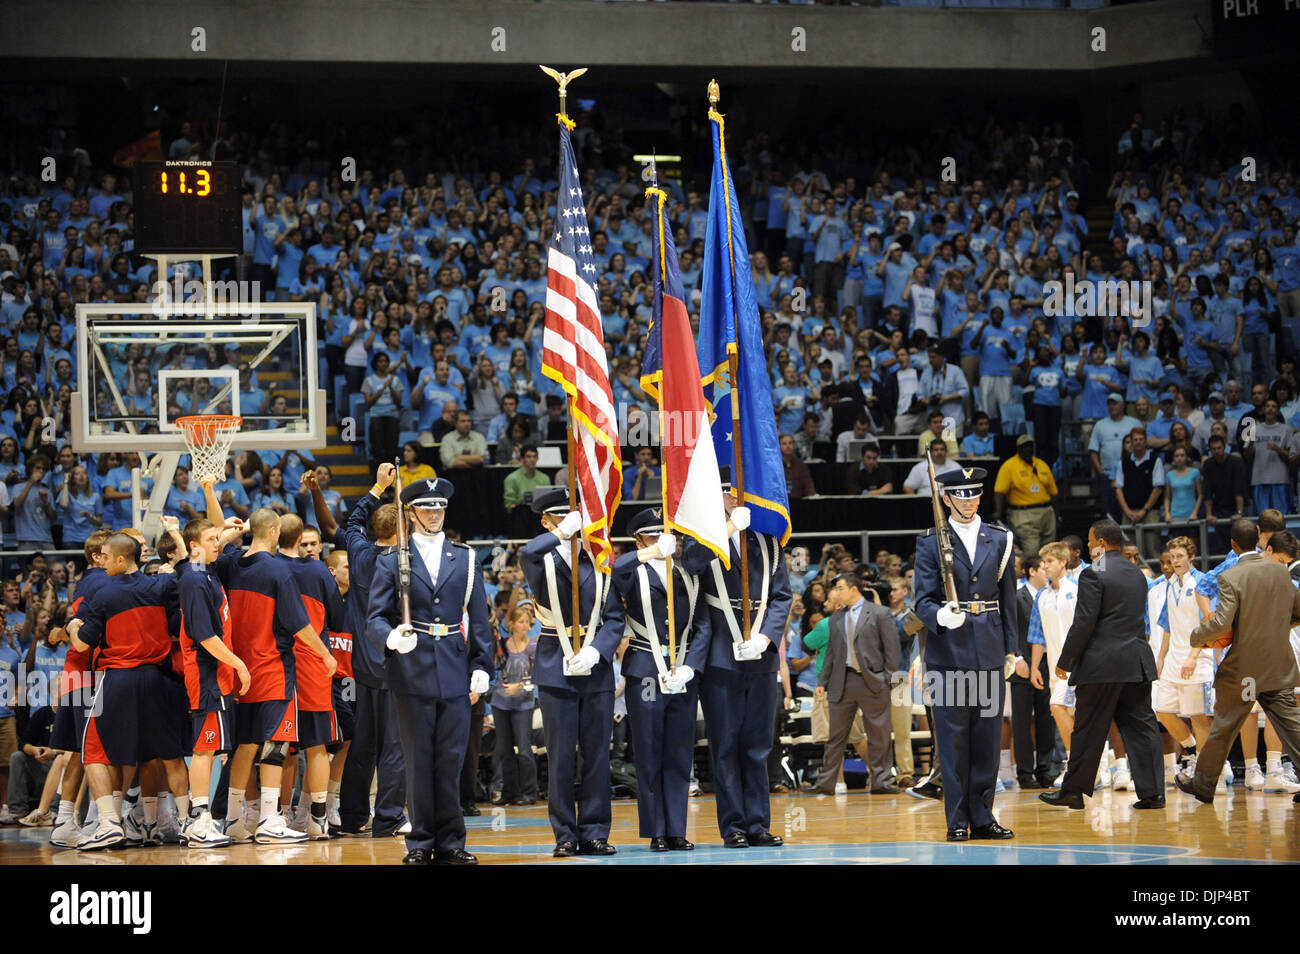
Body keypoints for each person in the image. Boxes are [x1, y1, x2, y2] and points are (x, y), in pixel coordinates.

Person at [366, 477, 494, 865]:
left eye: (439, 507)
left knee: (452, 759)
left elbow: (480, 619)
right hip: (413, 668)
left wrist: (483, 665)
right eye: (426, 507)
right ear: (412, 513)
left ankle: (453, 840)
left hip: (455, 667)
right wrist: (391, 638)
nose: (434, 513)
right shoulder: (393, 559)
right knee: (419, 759)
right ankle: (421, 841)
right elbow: (374, 618)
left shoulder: (467, 558)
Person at [913, 467, 1023, 841]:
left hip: (990, 650)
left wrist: (1012, 650)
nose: (969, 501)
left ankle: (983, 816)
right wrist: (939, 615)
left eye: (974, 494)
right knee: (954, 740)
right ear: (946, 499)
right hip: (948, 654)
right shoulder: (930, 542)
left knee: (987, 740)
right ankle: (957, 819)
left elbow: (1008, 599)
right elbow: (921, 601)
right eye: (960, 495)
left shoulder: (1000, 538)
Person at [679, 482, 792, 847]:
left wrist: (766, 637)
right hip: (720, 656)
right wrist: (726, 530)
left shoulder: (768, 543)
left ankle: (758, 822)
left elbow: (782, 596)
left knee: (758, 745)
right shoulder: (707, 539)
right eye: (730, 491)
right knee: (725, 744)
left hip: (760, 656)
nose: (737, 497)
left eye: (742, 491)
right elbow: (690, 564)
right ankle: (734, 826)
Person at [594, 507, 711, 851]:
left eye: (666, 533)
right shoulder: (634, 572)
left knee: (678, 752)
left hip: (682, 669)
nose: (663, 539)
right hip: (645, 666)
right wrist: (648, 553)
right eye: (652, 534)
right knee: (648, 750)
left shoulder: (688, 572)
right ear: (639, 539)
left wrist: (692, 666)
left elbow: (703, 624)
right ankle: (656, 829)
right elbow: (611, 569)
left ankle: (676, 827)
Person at [213, 506, 331, 845]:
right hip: (272, 670)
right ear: (276, 532)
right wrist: (325, 654)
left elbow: (218, 545)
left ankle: (234, 820)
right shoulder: (278, 571)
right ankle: (269, 818)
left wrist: (232, 528)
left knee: (244, 748)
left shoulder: (229, 564)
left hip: (239, 671)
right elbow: (299, 625)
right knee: (276, 746)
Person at [65, 533, 189, 850]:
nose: (100, 561)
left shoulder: (104, 594)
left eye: (105, 556)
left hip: (119, 678)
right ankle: (190, 822)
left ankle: (108, 823)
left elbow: (81, 644)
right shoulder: (161, 586)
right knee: (171, 756)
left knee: (93, 751)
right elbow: (184, 596)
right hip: (158, 679)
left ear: (121, 559)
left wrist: (72, 625)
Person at [519, 487, 620, 858]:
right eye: (558, 517)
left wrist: (597, 651)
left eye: (570, 515)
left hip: (595, 666)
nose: (568, 522)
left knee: (596, 754)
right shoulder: (540, 558)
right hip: (555, 665)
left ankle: (595, 831)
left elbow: (614, 616)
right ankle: (565, 833)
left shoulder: (598, 557)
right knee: (561, 756)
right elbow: (527, 552)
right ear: (545, 521)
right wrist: (560, 536)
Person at [1039, 520, 1165, 811]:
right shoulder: (1136, 572)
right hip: (1135, 661)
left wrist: (1065, 660)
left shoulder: (1093, 572)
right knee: (1142, 726)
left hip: (1102, 664)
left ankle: (1073, 791)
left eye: (1090, 540)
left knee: (1087, 728)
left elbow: (1084, 622)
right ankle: (1153, 793)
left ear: (1100, 543)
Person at [310, 464, 408, 838]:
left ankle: (352, 817)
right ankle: (388, 816)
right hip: (394, 662)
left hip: (361, 664)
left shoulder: (359, 552)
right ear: (399, 531)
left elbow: (351, 521)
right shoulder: (403, 562)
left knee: (362, 745)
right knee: (394, 747)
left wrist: (379, 488)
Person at [1179, 519, 1300, 803]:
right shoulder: (1282, 573)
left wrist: (1197, 637)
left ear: (1233, 545)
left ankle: (1203, 785)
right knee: (1292, 726)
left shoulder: (1231, 576)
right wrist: (1276, 629)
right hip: (1279, 665)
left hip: (1245, 670)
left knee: (1224, 726)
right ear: (1258, 539)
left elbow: (1221, 624)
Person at [170, 512, 251, 848]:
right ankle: (199, 820)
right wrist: (240, 666)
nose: (218, 544)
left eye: (218, 540)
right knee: (204, 749)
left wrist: (237, 531)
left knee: (211, 747)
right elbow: (205, 636)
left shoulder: (204, 569)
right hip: (207, 674)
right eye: (211, 540)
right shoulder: (194, 579)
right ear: (194, 547)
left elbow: (214, 540)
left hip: (216, 675)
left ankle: (201, 819)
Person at [808, 570, 902, 795]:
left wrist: (888, 678)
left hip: (873, 679)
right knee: (835, 736)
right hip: (843, 680)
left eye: (840, 588)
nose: (836, 593)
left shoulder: (880, 613)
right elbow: (830, 653)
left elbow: (892, 649)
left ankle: (881, 782)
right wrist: (823, 681)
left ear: (853, 589)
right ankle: (826, 783)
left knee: (879, 734)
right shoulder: (836, 618)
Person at [1010, 555, 1054, 789]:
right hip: (1023, 664)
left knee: (1047, 719)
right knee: (1022, 722)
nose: (1046, 571)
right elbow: (1009, 630)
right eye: (1042, 567)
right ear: (1031, 571)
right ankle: (1025, 773)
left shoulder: (1049, 596)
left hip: (1048, 663)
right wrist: (1016, 657)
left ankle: (1045, 769)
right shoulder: (1017, 597)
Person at [492, 606, 538, 806]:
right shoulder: (502, 644)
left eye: (527, 622)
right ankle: (510, 791)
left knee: (524, 748)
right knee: (504, 749)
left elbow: (536, 676)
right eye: (521, 621)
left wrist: (518, 686)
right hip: (500, 701)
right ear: (511, 624)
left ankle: (529, 792)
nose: (525, 625)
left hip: (523, 703)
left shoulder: (532, 647)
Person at [993, 435, 1058, 558]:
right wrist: (998, 513)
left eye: (1030, 446)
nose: (1028, 449)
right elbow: (999, 492)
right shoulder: (1009, 466)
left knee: (1050, 551)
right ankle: (1029, 576)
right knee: (1032, 551)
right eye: (1024, 447)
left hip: (1046, 512)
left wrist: (1057, 515)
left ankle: (1047, 577)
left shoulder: (1041, 464)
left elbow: (1054, 492)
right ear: (1018, 449)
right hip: (1023, 514)